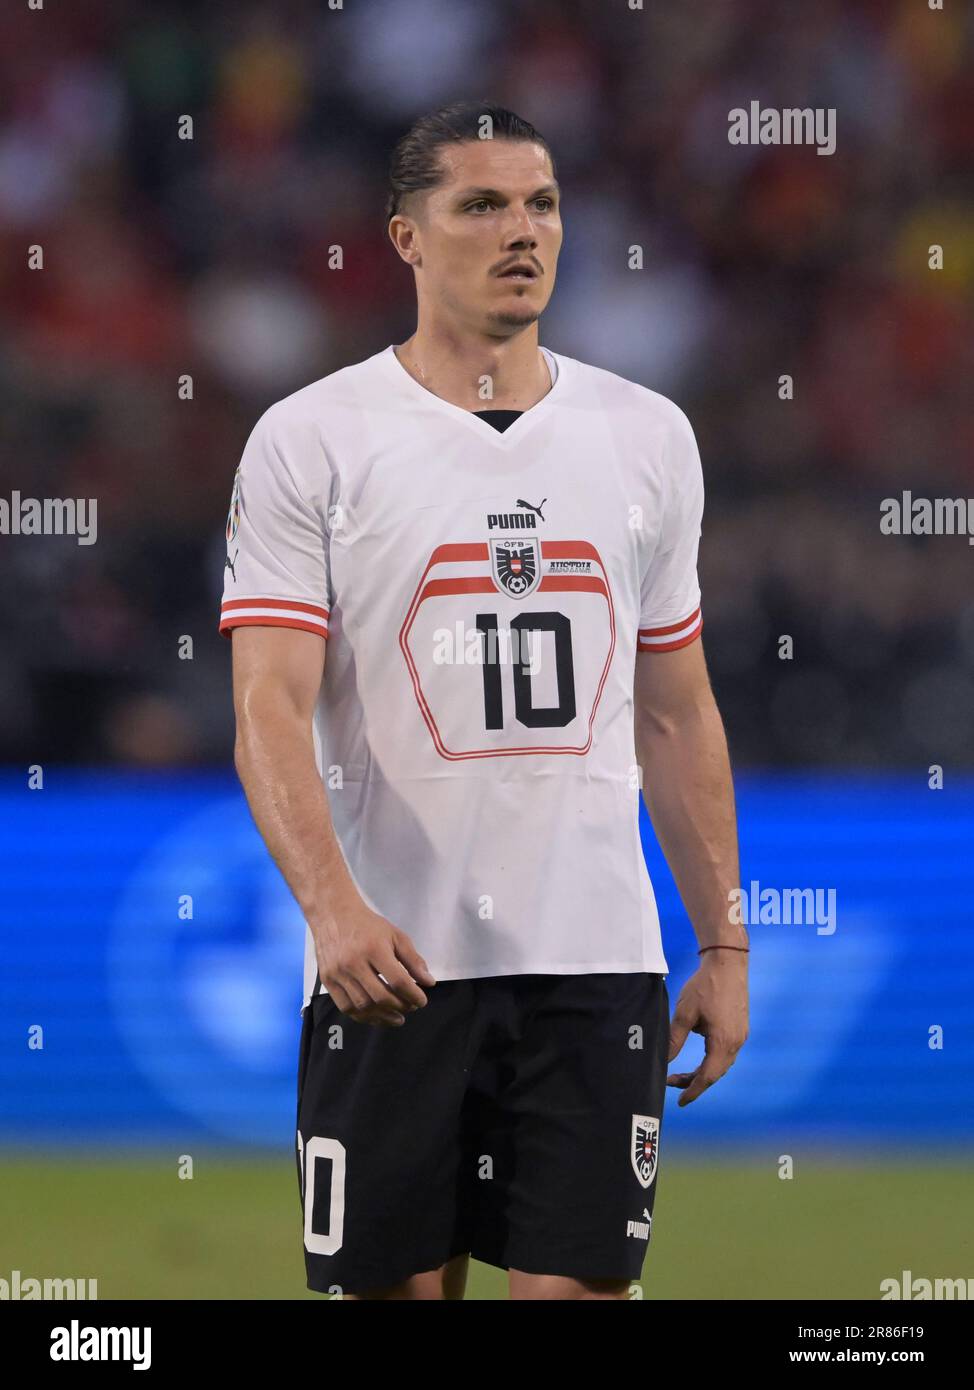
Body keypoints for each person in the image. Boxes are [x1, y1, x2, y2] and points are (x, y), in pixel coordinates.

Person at [219, 101, 748, 1301]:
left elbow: (676, 712)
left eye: (542, 203)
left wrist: (721, 940)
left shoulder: (647, 437)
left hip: (596, 961)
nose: (523, 231)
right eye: (482, 205)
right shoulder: (312, 440)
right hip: (394, 962)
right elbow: (267, 707)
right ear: (405, 238)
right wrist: (332, 911)